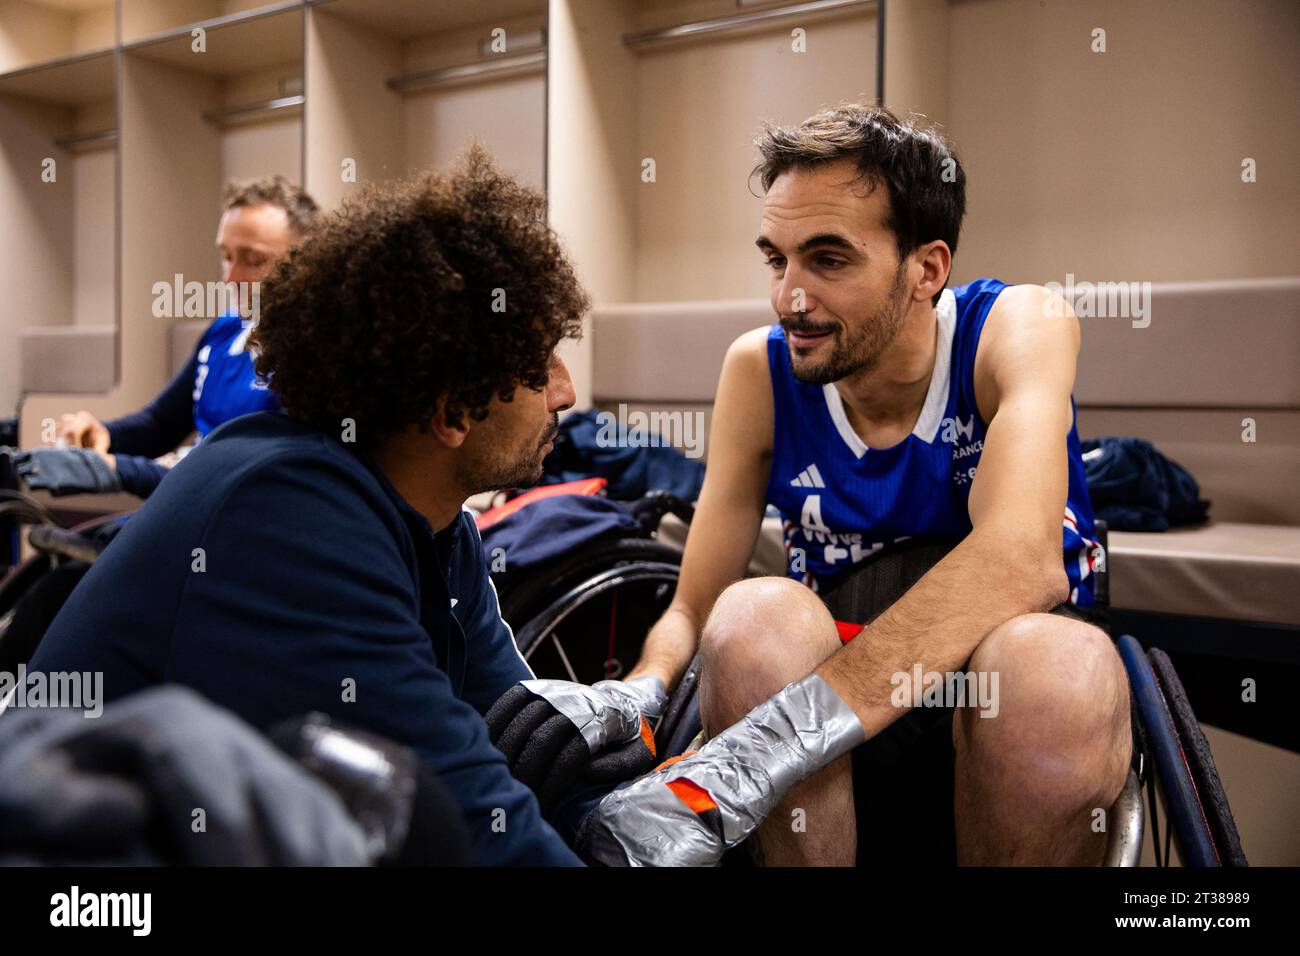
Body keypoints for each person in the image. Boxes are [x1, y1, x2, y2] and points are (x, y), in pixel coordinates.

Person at [495, 105, 1132, 867]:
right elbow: (694, 604)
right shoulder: (757, 370)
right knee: (753, 615)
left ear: (927, 269)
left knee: (1053, 668)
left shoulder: (1020, 325)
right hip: (831, 743)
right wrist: (639, 689)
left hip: (997, 703)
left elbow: (1019, 559)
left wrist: (759, 751)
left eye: (828, 260)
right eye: (778, 260)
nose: (788, 298)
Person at [28, 147, 594, 865]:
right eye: (541, 361)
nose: (567, 392)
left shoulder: (437, 525)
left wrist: (613, 809)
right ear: (452, 412)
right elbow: (477, 824)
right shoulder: (289, 518)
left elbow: (513, 736)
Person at [54, 175, 319, 499]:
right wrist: (101, 434)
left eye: (254, 261)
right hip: (186, 513)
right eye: (226, 256)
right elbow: (161, 425)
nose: (230, 277)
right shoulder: (227, 328)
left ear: (306, 263)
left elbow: (245, 480)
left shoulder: (311, 356)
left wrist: (118, 468)